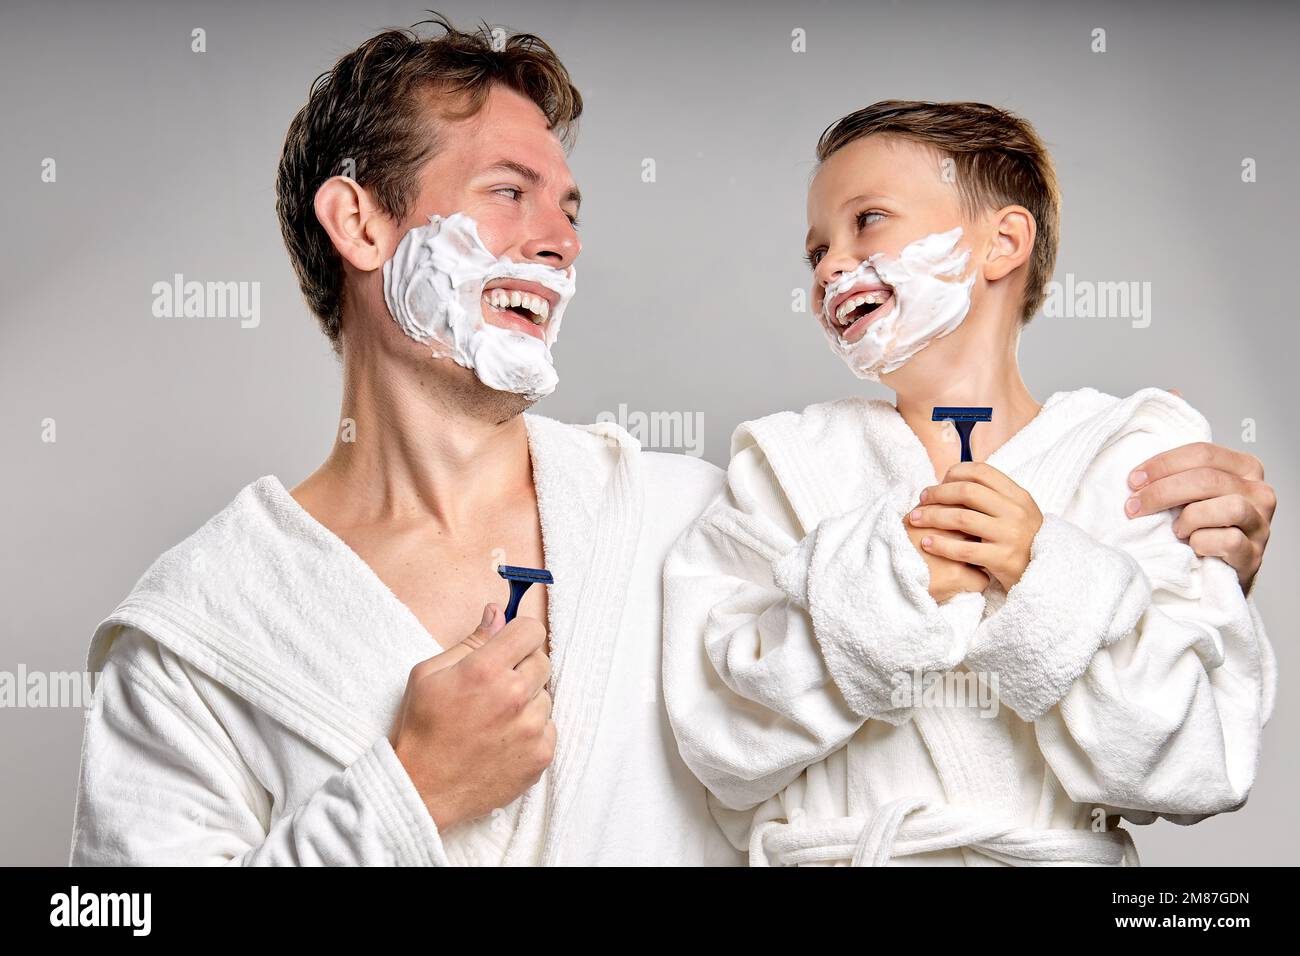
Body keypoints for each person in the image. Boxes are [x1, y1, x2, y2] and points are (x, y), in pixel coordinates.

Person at [70, 18, 1276, 867]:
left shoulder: (699, 513)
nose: (556, 239)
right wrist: (405, 797)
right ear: (361, 220)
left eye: (569, 207)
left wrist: (1158, 546)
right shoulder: (202, 628)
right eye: (507, 192)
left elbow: (948, 696)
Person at [662, 100, 1277, 867]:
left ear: (1003, 243)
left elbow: (1193, 765)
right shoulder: (784, 465)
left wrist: (1044, 577)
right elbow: (719, 746)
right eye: (816, 249)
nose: (828, 264)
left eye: (868, 220)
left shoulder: (1133, 457)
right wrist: (881, 594)